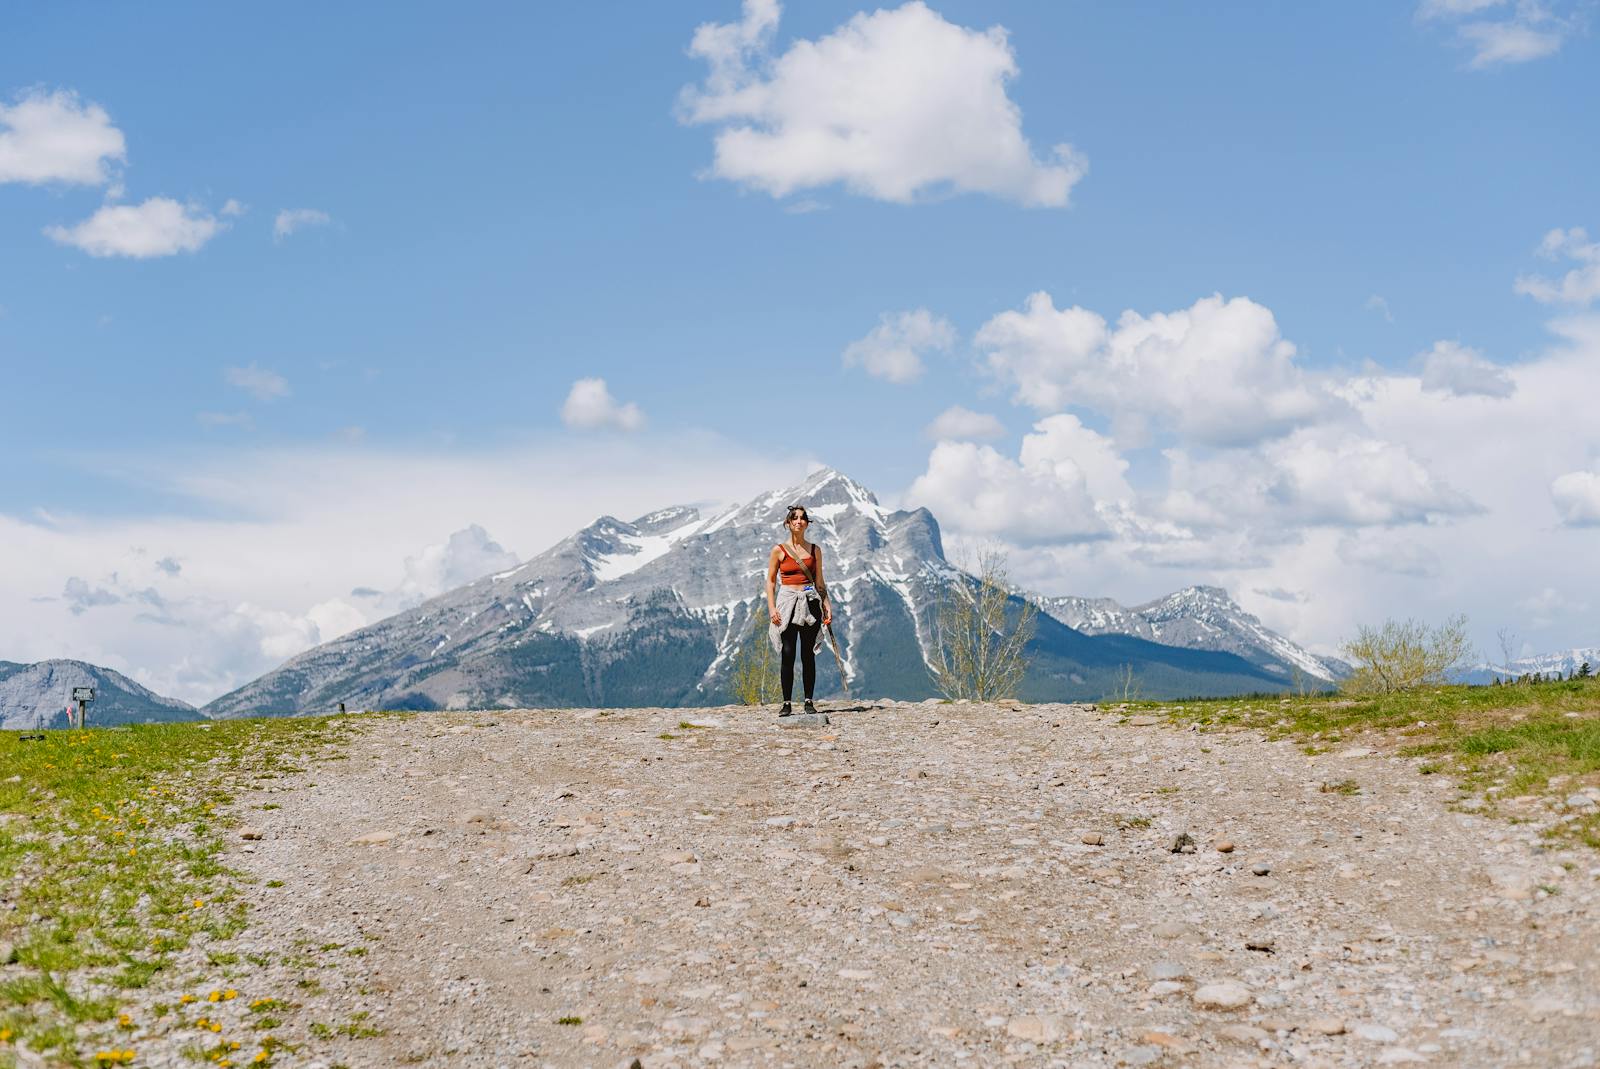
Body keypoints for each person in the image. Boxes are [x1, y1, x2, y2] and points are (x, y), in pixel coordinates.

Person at [765, 504, 832, 717]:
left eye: (802, 518)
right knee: (787, 653)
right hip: (787, 602)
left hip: (810, 601)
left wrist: (826, 604)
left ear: (807, 523)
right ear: (788, 523)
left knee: (807, 654)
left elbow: (819, 581)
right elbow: (771, 580)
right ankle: (786, 703)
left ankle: (808, 701)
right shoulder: (779, 550)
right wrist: (772, 608)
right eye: (794, 518)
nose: (798, 521)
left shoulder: (815, 550)